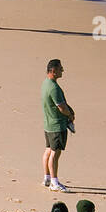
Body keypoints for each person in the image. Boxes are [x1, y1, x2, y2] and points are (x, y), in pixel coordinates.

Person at [42, 59, 74, 192]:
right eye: (60, 69)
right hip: (56, 125)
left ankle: (47, 178)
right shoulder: (54, 88)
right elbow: (61, 107)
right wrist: (70, 115)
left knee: (48, 150)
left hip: (48, 124)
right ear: (53, 71)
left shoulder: (46, 83)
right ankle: (54, 182)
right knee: (55, 153)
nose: (63, 70)